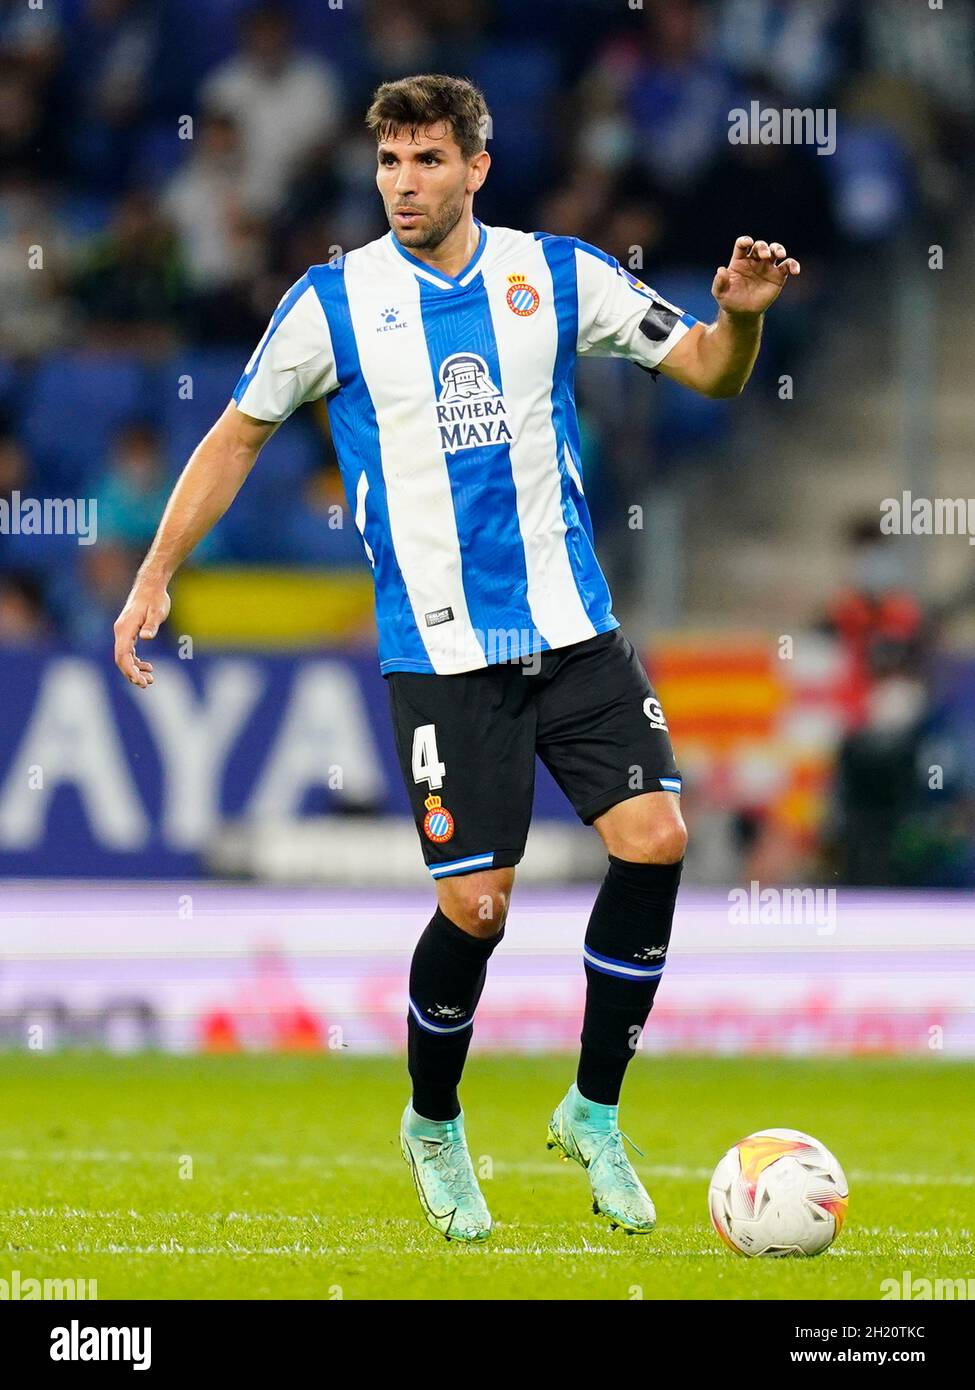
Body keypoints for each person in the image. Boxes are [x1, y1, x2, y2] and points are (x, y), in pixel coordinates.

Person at [113, 74, 800, 1244]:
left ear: (478, 166)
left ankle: (593, 1108)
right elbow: (236, 437)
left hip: (574, 630)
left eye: (428, 161)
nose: (404, 184)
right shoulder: (333, 303)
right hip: (439, 657)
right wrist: (155, 572)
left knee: (659, 840)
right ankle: (434, 1122)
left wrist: (741, 317)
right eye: (389, 163)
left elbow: (706, 370)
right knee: (477, 907)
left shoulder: (556, 275)